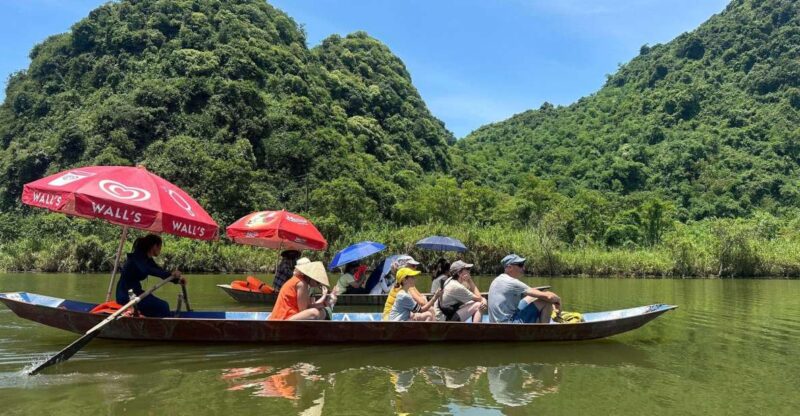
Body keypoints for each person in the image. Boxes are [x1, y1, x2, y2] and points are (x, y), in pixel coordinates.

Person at [115, 234, 184, 317]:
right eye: (160, 247)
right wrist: (171, 274)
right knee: (163, 306)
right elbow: (149, 269)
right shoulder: (138, 258)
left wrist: (177, 280)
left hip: (136, 292)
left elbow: (158, 270)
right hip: (126, 294)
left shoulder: (147, 259)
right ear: (154, 246)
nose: (160, 250)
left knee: (161, 305)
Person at [488, 254, 561, 323]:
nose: (523, 268)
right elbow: (549, 297)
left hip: (497, 321)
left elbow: (534, 294)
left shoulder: (498, 279)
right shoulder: (512, 282)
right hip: (509, 324)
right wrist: (558, 300)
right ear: (510, 267)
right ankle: (544, 330)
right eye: (520, 265)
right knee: (546, 302)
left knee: (531, 297)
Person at [268, 259, 334, 321]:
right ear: (311, 277)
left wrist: (323, 304)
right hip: (284, 319)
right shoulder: (301, 283)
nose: (317, 285)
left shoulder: (300, 280)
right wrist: (322, 305)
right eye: (317, 282)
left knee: (322, 311)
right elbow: (303, 310)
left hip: (288, 316)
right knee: (315, 313)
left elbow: (307, 306)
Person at [382, 255, 427, 320]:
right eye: (413, 266)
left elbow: (421, 297)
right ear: (405, 267)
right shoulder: (405, 284)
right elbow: (422, 302)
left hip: (393, 316)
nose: (415, 267)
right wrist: (426, 299)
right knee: (428, 314)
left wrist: (423, 298)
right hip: (391, 319)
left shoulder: (405, 282)